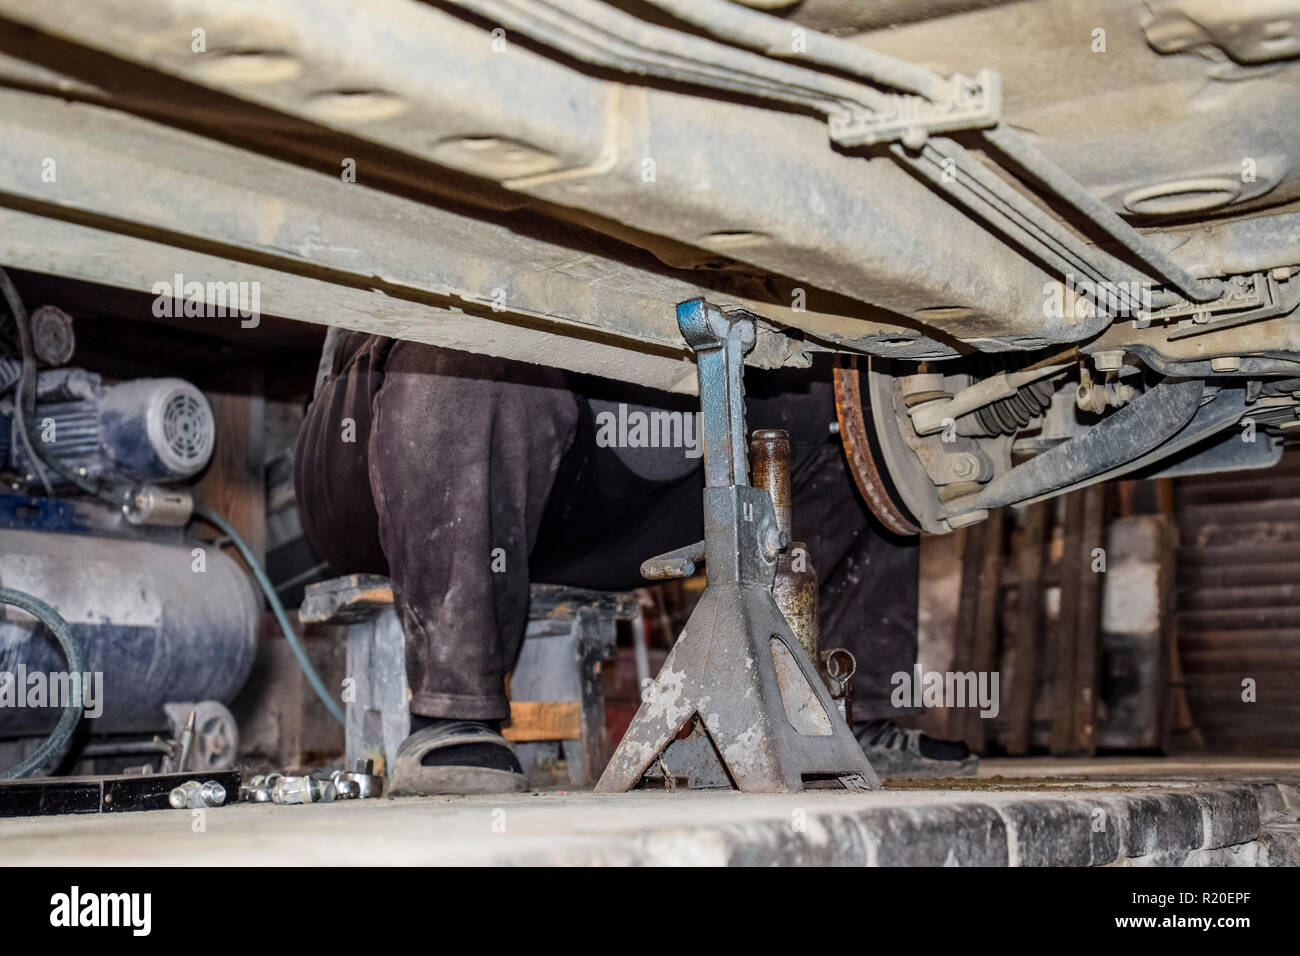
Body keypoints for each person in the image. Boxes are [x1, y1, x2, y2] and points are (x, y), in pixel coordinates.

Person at [295, 331, 976, 793]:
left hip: (591, 486)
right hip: (390, 452)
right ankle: (453, 712)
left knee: (841, 404)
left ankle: (834, 710)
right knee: (475, 351)